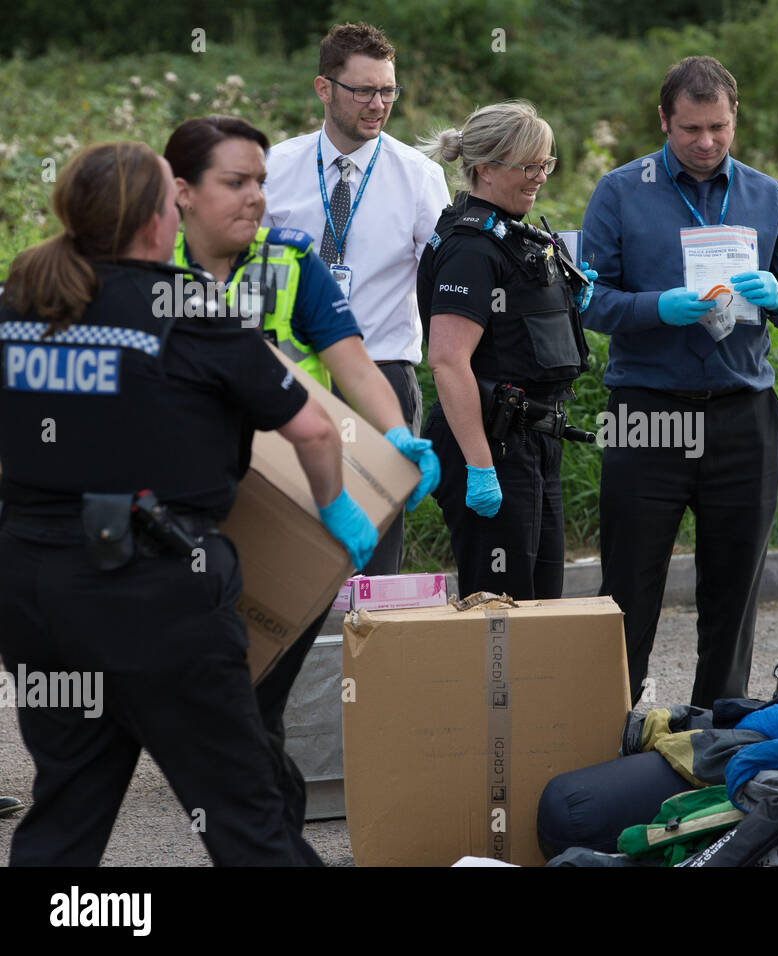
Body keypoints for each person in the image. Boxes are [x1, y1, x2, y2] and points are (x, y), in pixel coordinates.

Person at [0, 141, 362, 865]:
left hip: (35, 590)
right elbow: (316, 429)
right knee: (243, 807)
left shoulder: (20, 302)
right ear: (152, 220)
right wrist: (335, 513)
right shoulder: (187, 304)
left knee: (68, 802)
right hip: (155, 590)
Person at [165, 114, 439, 832]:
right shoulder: (144, 268)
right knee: (213, 707)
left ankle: (268, 835)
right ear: (181, 191)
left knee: (257, 703)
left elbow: (351, 357)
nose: (257, 196)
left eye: (260, 180)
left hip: (292, 506)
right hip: (177, 515)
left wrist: (398, 435)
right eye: (236, 182)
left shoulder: (290, 259)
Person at [581, 56, 778, 708]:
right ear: (664, 121)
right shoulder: (621, 192)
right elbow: (587, 302)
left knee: (734, 592)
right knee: (628, 586)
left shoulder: (768, 196)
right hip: (647, 409)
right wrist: (656, 307)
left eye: (718, 127)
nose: (706, 142)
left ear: (734, 118)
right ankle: (612, 732)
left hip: (743, 414)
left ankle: (715, 738)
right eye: (690, 129)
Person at [262, 21, 452, 576]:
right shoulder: (277, 168)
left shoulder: (419, 176)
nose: (378, 104)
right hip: (292, 371)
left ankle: (369, 661)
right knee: (287, 541)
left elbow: (441, 282)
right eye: (364, 90)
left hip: (382, 374)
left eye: (388, 91)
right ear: (325, 89)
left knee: (374, 557)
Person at [417, 101, 597, 599]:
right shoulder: (472, 247)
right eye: (529, 166)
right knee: (500, 611)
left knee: (540, 605)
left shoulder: (513, 234)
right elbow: (448, 361)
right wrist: (479, 467)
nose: (540, 177)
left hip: (533, 442)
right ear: (486, 168)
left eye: (546, 164)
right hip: (493, 445)